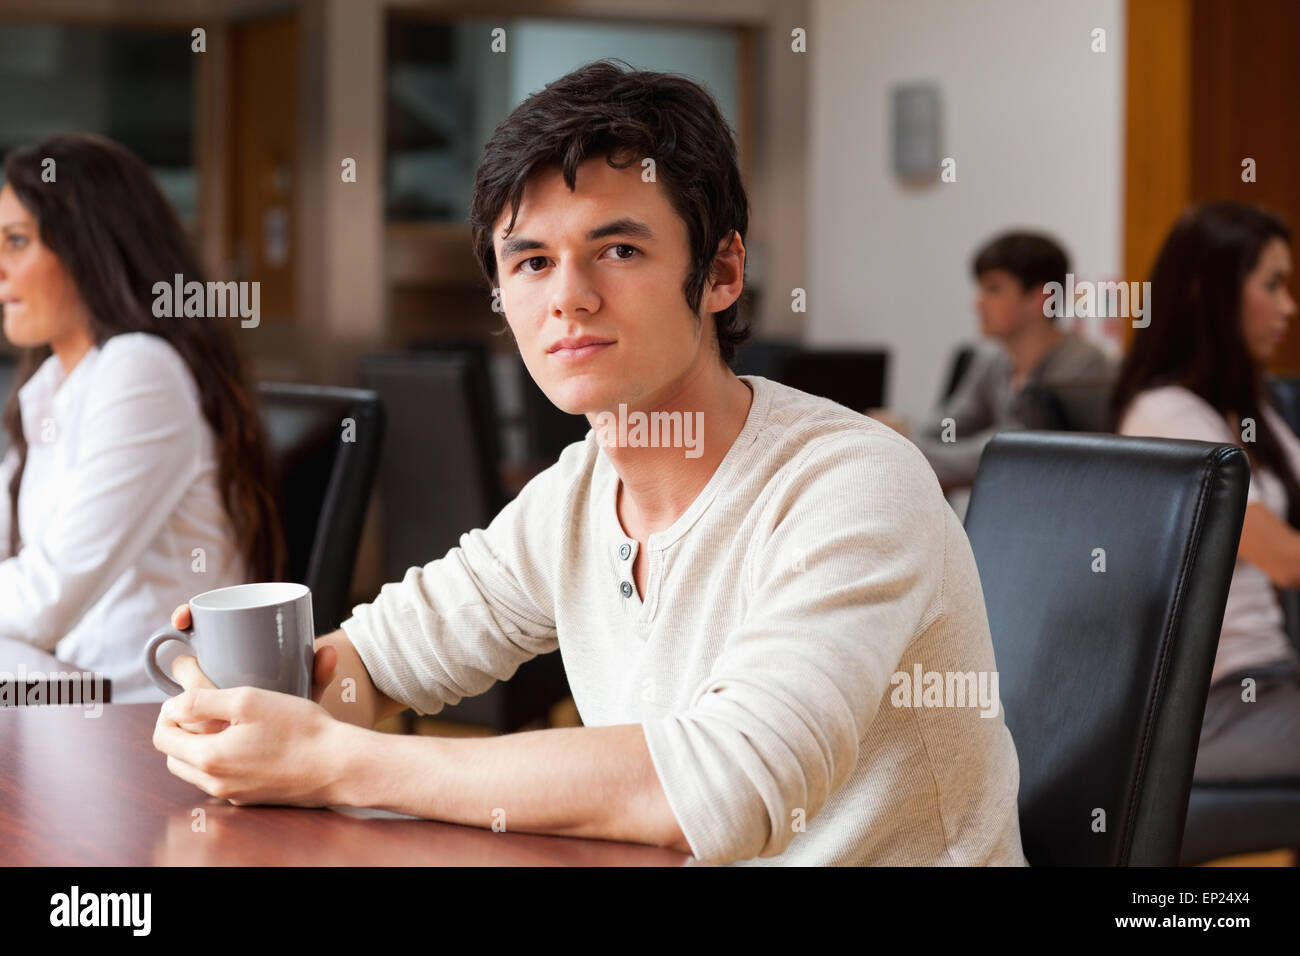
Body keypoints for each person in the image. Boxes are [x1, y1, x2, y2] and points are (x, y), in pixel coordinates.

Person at [153, 60, 1028, 866]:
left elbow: (728, 786)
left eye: (618, 250)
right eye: (531, 261)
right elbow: (378, 665)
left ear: (722, 272)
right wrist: (250, 709)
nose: (568, 296)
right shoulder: (574, 495)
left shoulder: (853, 483)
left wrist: (335, 762)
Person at [0, 133, 285, 702]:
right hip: (79, 700)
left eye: (17, 241)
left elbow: (44, 600)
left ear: (90, 246)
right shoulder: (50, 388)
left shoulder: (140, 370)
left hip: (149, 722)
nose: (0, 268)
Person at [1113, 200, 1300, 783]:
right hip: (1218, 705)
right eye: (1272, 284)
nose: (1288, 307)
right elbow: (1285, 560)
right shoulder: (1167, 415)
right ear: (1210, 292)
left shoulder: (1248, 410)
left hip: (1273, 680)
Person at [871, 231, 1115, 493]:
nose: (977, 302)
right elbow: (949, 425)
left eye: (993, 289)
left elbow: (1005, 452)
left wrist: (901, 445)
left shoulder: (1083, 367)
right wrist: (900, 429)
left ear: (1039, 297)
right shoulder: (995, 362)